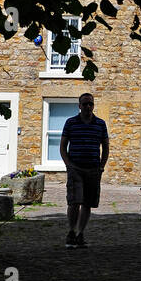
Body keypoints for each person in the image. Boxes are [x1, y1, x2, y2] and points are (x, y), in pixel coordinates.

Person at [60, 92, 110, 247]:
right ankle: (71, 231)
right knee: (75, 202)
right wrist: (68, 165)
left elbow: (106, 146)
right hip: (76, 168)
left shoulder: (100, 124)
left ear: (93, 106)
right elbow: (63, 146)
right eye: (85, 104)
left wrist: (101, 166)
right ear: (79, 106)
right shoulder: (70, 123)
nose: (88, 106)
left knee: (88, 203)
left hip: (93, 169)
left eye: (91, 104)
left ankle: (81, 234)